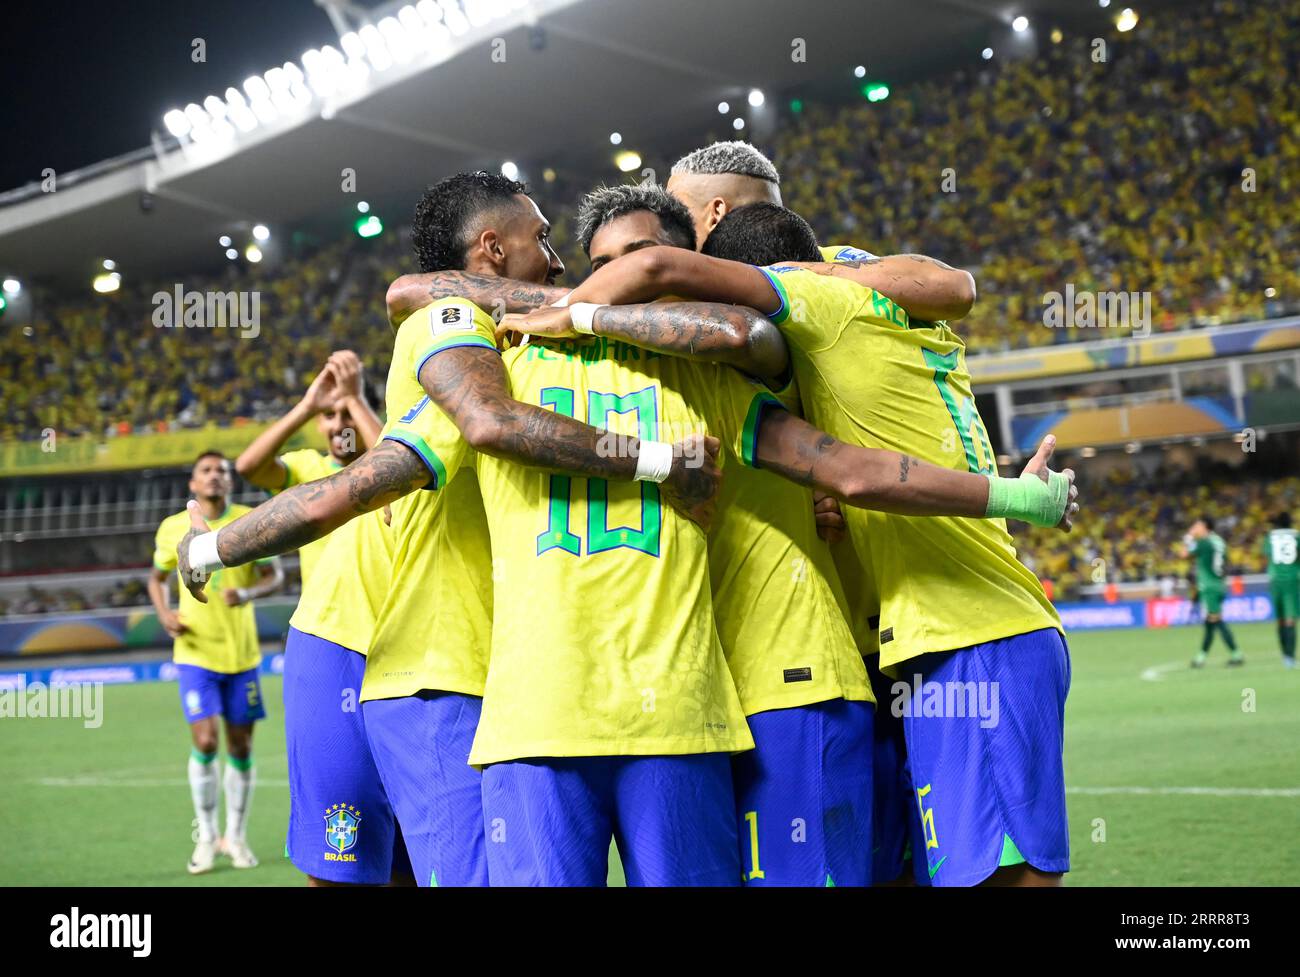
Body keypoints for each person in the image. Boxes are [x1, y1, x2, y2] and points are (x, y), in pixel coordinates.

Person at [526, 200, 1076, 887]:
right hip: (909, 647)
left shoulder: (808, 311)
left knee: (1000, 875)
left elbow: (851, 464)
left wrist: (571, 312)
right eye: (600, 270)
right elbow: (950, 292)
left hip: (954, 635)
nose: (623, 280)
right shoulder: (858, 323)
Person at [146, 451, 283, 874]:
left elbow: (274, 576)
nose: (215, 476)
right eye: (206, 471)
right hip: (195, 654)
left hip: (241, 656)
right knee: (206, 742)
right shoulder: (173, 527)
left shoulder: (250, 518)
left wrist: (245, 594)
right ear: (192, 483)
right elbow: (157, 577)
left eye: (222, 471)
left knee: (240, 746)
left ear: (229, 481)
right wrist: (165, 613)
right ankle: (206, 837)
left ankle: (235, 837)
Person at [1182, 516, 1242, 667]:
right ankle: (1201, 657)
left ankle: (1236, 653)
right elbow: (1226, 562)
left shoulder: (1203, 543)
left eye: (1198, 525)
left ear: (1205, 527)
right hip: (1220, 585)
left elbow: (1183, 554)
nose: (1195, 527)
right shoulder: (1219, 541)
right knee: (1210, 622)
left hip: (1209, 587)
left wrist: (1189, 536)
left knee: (1217, 621)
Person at [1263, 512, 1298, 667]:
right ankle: (1290, 657)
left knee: (1280, 620)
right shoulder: (1296, 536)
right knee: (1290, 620)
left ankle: (1285, 655)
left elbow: (1268, 556)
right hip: (1292, 580)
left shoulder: (1270, 536)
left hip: (1275, 580)